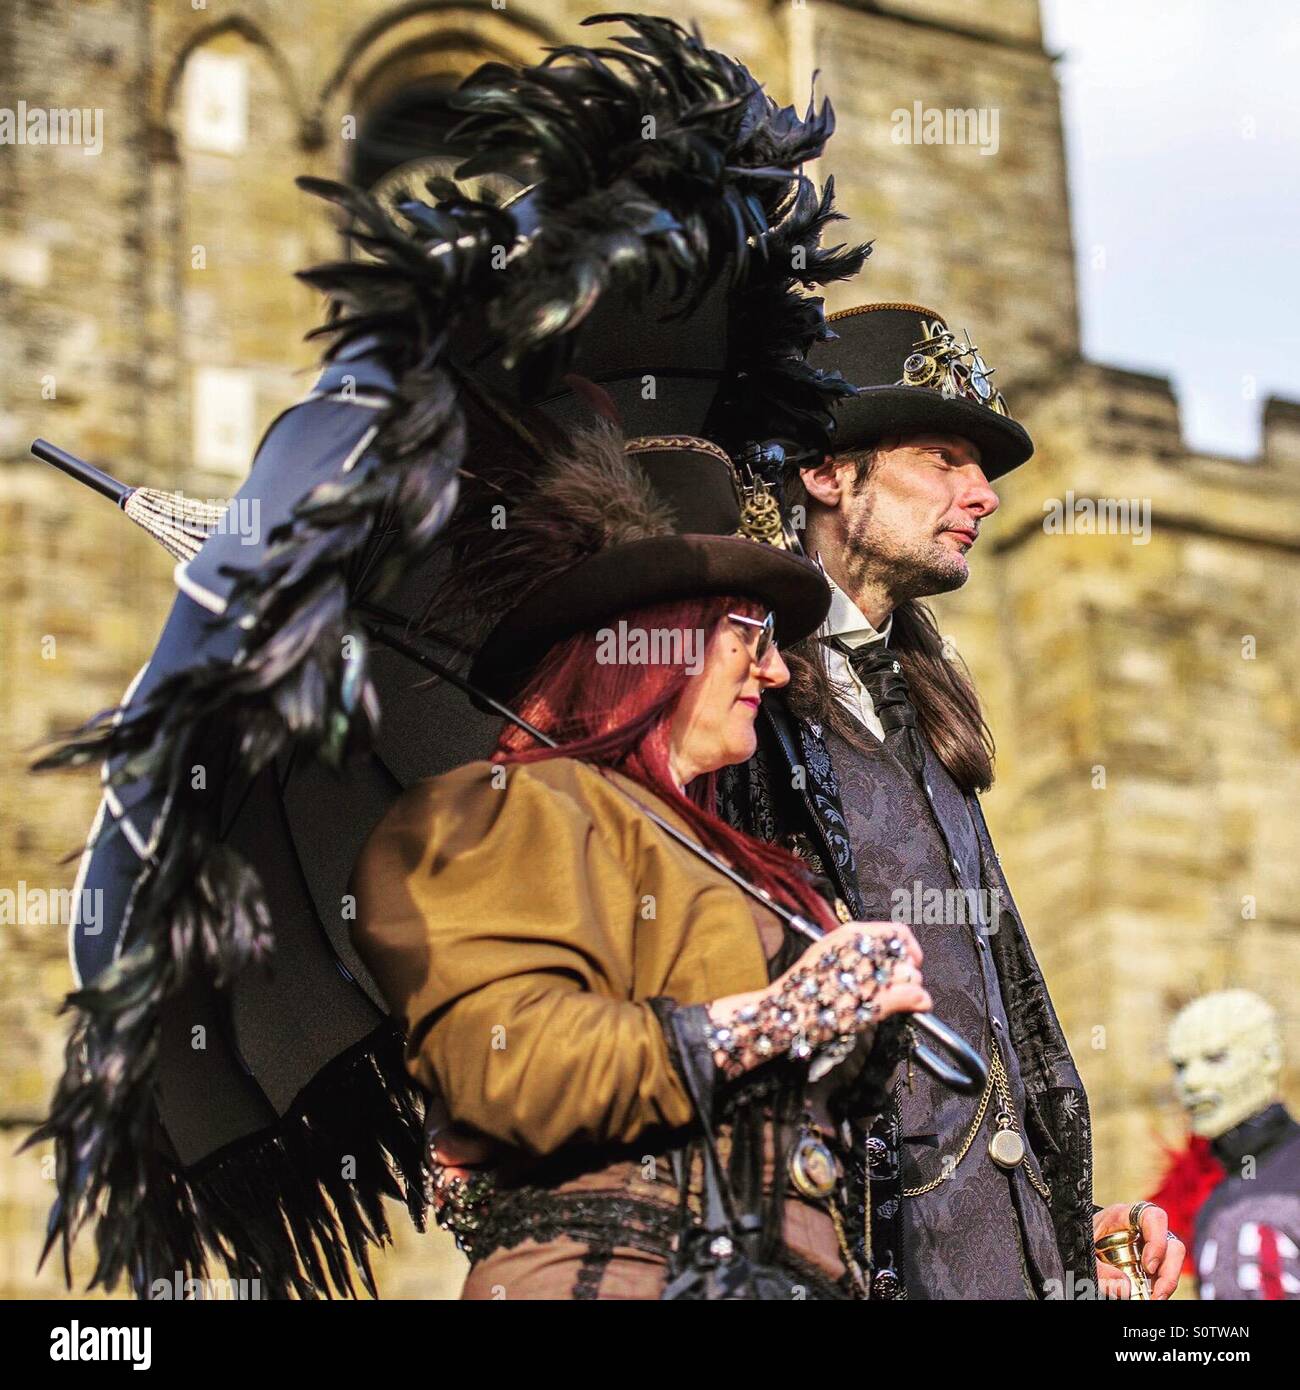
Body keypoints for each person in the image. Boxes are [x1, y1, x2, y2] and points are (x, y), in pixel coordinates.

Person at [348, 426, 934, 1299]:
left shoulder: (722, 855)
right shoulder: (514, 807)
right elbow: (508, 1063)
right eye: (752, 634)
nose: (777, 671)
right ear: (659, 645)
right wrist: (765, 1020)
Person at [719, 301, 1183, 1299]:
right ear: (826, 472)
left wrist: (1062, 1230)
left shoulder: (924, 699)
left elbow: (994, 1023)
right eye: (942, 458)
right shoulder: (732, 699)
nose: (984, 495)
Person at [1163, 990, 1299, 1299]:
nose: (1192, 1082)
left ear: (1269, 1059)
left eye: (1215, 1057)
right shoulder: (1213, 1199)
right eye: (1181, 1066)